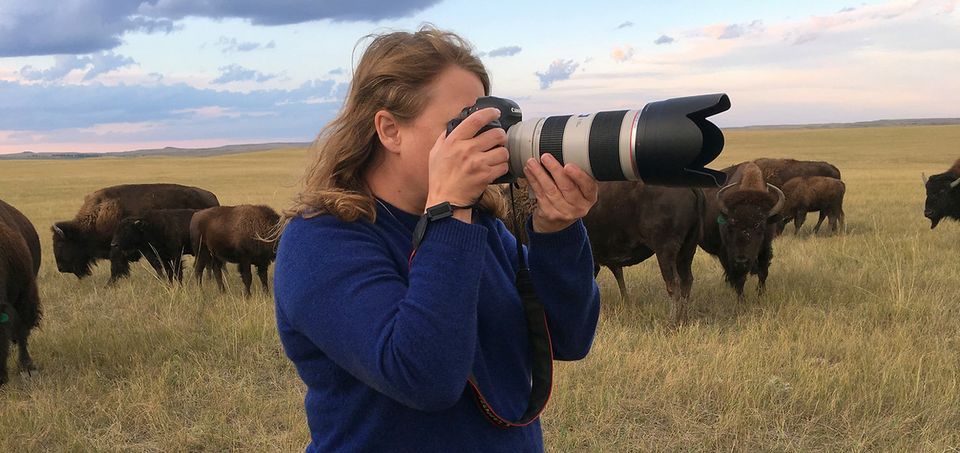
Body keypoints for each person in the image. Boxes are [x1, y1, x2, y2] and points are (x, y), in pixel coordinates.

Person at [273, 26, 601, 452]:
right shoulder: (320, 242)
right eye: (461, 125)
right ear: (390, 130)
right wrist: (448, 209)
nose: (484, 141)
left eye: (487, 124)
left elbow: (570, 339)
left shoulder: (481, 229)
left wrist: (556, 232)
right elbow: (424, 378)